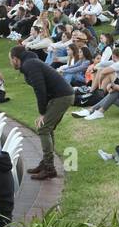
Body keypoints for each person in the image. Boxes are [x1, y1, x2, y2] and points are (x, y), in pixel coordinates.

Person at [9, 45, 73, 180]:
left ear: (15, 58)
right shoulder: (31, 63)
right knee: (47, 128)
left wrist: (42, 112)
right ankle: (46, 163)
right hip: (60, 95)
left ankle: (49, 168)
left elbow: (40, 89)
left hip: (61, 96)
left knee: (44, 128)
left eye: (10, 59)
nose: (10, 62)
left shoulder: (30, 65)